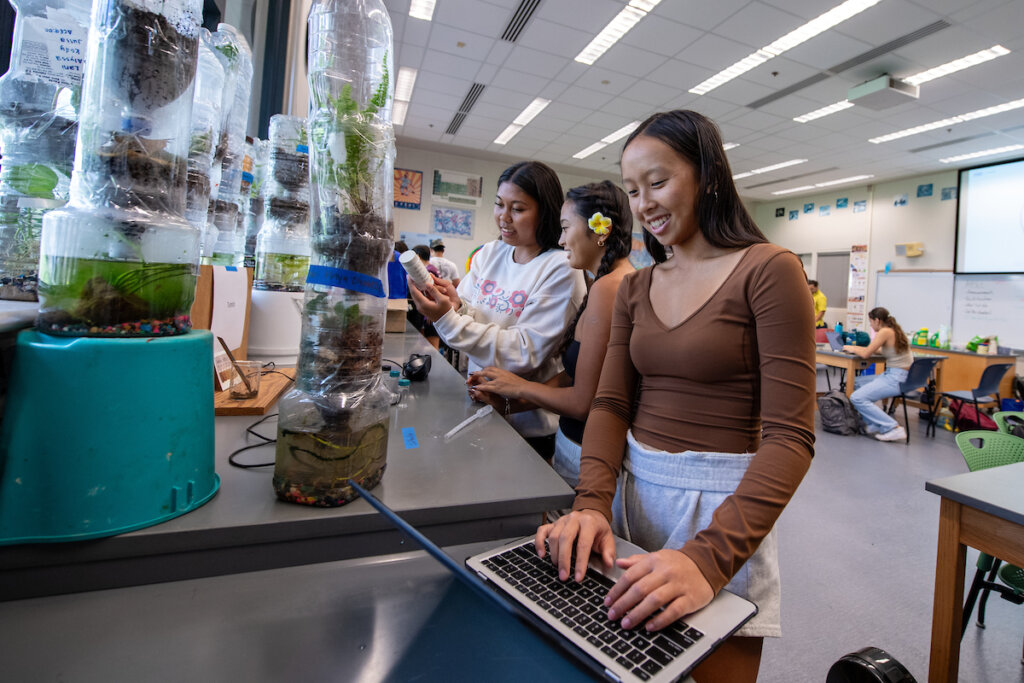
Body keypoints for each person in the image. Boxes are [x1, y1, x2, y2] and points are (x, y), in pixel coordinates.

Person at [535, 110, 816, 683]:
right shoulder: (637, 285)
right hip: (629, 492)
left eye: (658, 183)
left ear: (709, 174)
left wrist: (706, 560)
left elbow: (792, 436)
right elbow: (611, 405)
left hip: (721, 510)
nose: (643, 205)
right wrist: (591, 503)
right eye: (634, 191)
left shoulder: (768, 269)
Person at [409, 161, 586, 459]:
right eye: (499, 204)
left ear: (546, 211)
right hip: (481, 406)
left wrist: (447, 318)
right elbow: (472, 316)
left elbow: (523, 352)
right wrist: (457, 306)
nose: (504, 217)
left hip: (528, 428)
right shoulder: (491, 253)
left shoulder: (561, 268)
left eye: (517, 209)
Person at [466, 180, 634, 487]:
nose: (561, 240)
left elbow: (583, 401)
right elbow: (577, 374)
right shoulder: (607, 283)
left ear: (600, 231)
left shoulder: (611, 289)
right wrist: (512, 402)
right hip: (578, 446)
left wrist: (519, 387)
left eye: (566, 228)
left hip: (588, 451)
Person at [844, 306, 913, 442]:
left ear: (877, 320)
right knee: (856, 382)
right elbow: (881, 350)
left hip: (895, 378)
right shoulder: (893, 330)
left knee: (857, 398)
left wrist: (851, 347)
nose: (870, 325)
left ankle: (893, 428)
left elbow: (865, 354)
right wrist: (860, 348)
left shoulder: (885, 331)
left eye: (870, 322)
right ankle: (873, 423)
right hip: (900, 376)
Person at [410, 244, 440, 349]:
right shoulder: (429, 269)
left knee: (432, 346)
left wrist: (429, 315)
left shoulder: (428, 271)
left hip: (431, 315)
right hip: (429, 314)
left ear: (417, 256)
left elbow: (433, 294)